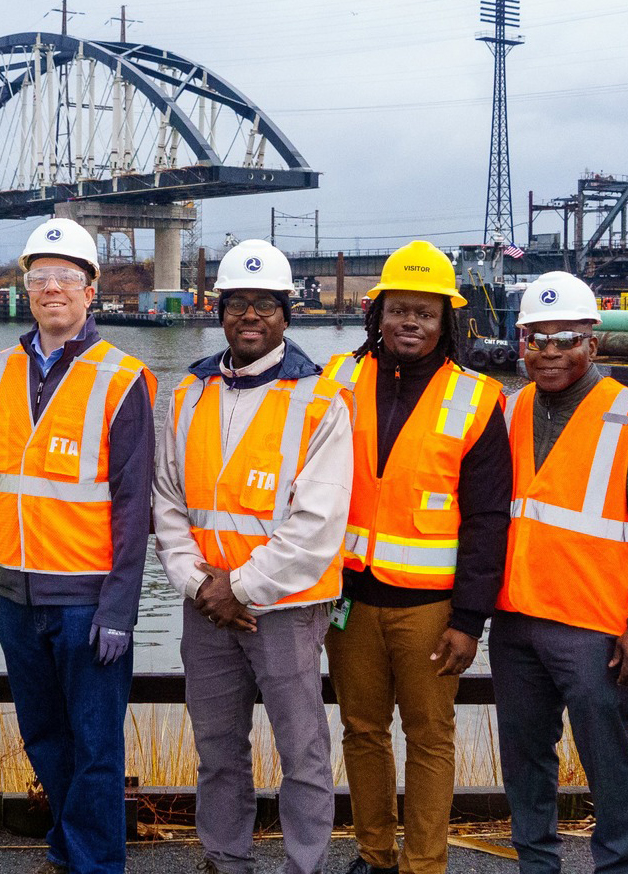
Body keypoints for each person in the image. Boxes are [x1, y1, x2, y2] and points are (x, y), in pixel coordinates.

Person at [153, 239, 353, 874]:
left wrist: (237, 587)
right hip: (207, 607)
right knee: (217, 747)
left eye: (264, 305)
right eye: (237, 303)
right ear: (219, 310)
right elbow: (169, 500)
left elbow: (316, 524)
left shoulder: (322, 400)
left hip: (287, 609)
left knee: (303, 752)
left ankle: (304, 865)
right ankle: (224, 858)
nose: (249, 316)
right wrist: (196, 584)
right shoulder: (189, 392)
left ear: (286, 314)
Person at [0, 217, 156, 874]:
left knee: (96, 743)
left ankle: (96, 863)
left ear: (90, 288)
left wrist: (119, 609)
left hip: (86, 599)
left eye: (66, 277)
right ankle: (65, 849)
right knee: (44, 737)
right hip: (17, 596)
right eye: (39, 275)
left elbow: (135, 505)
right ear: (24, 285)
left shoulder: (122, 377)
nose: (51, 288)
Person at [321, 240, 512, 874]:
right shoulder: (336, 380)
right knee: (362, 732)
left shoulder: (478, 398)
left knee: (430, 739)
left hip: (431, 610)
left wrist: (469, 621)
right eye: (399, 309)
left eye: (425, 313)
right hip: (350, 600)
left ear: (445, 321)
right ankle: (373, 855)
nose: (411, 322)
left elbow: (487, 522)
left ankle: (423, 864)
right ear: (377, 314)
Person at [494, 272, 628, 874]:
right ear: (522, 341)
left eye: (565, 340)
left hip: (596, 632)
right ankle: (537, 865)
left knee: (608, 764)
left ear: (593, 341)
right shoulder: (510, 409)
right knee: (525, 760)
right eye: (538, 340)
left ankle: (620, 867)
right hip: (516, 622)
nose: (550, 352)